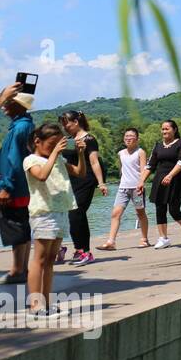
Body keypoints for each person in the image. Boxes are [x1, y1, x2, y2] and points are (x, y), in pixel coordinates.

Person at [24, 122, 86, 316]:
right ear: (37, 141)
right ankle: (35, 304)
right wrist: (54, 154)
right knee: (39, 258)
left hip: (61, 211)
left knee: (51, 259)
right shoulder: (31, 160)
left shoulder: (56, 159)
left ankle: (47, 301)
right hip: (43, 213)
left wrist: (80, 153)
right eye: (51, 144)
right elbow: (41, 176)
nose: (55, 148)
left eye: (58, 144)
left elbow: (80, 172)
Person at [57, 111, 106, 266]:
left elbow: (94, 162)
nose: (64, 126)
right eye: (63, 123)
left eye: (66, 123)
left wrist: (101, 183)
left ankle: (85, 251)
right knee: (74, 215)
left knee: (76, 213)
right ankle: (79, 250)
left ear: (76, 122)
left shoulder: (89, 139)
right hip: (71, 181)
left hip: (87, 179)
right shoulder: (68, 140)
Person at [0, 83, 35, 286]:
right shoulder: (25, 125)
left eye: (8, 103)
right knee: (22, 225)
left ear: (19, 106)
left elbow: (14, 159)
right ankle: (22, 267)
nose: (4, 107)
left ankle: (17, 269)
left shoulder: (19, 128)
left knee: (14, 225)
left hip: (13, 186)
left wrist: (6, 187)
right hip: (22, 186)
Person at [140, 120, 181, 249]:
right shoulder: (158, 146)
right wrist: (141, 181)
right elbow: (150, 165)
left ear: (174, 130)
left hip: (176, 180)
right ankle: (163, 238)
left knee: (174, 210)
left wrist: (170, 175)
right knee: (160, 208)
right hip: (160, 179)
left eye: (167, 129)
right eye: (162, 129)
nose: (164, 131)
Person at [100, 127, 150, 253]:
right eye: (126, 136)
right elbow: (122, 170)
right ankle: (111, 241)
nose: (128, 138)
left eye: (131, 136)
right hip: (123, 188)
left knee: (140, 213)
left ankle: (144, 239)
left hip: (137, 188)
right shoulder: (121, 153)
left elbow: (144, 170)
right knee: (115, 213)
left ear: (137, 139)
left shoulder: (140, 152)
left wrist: (141, 183)